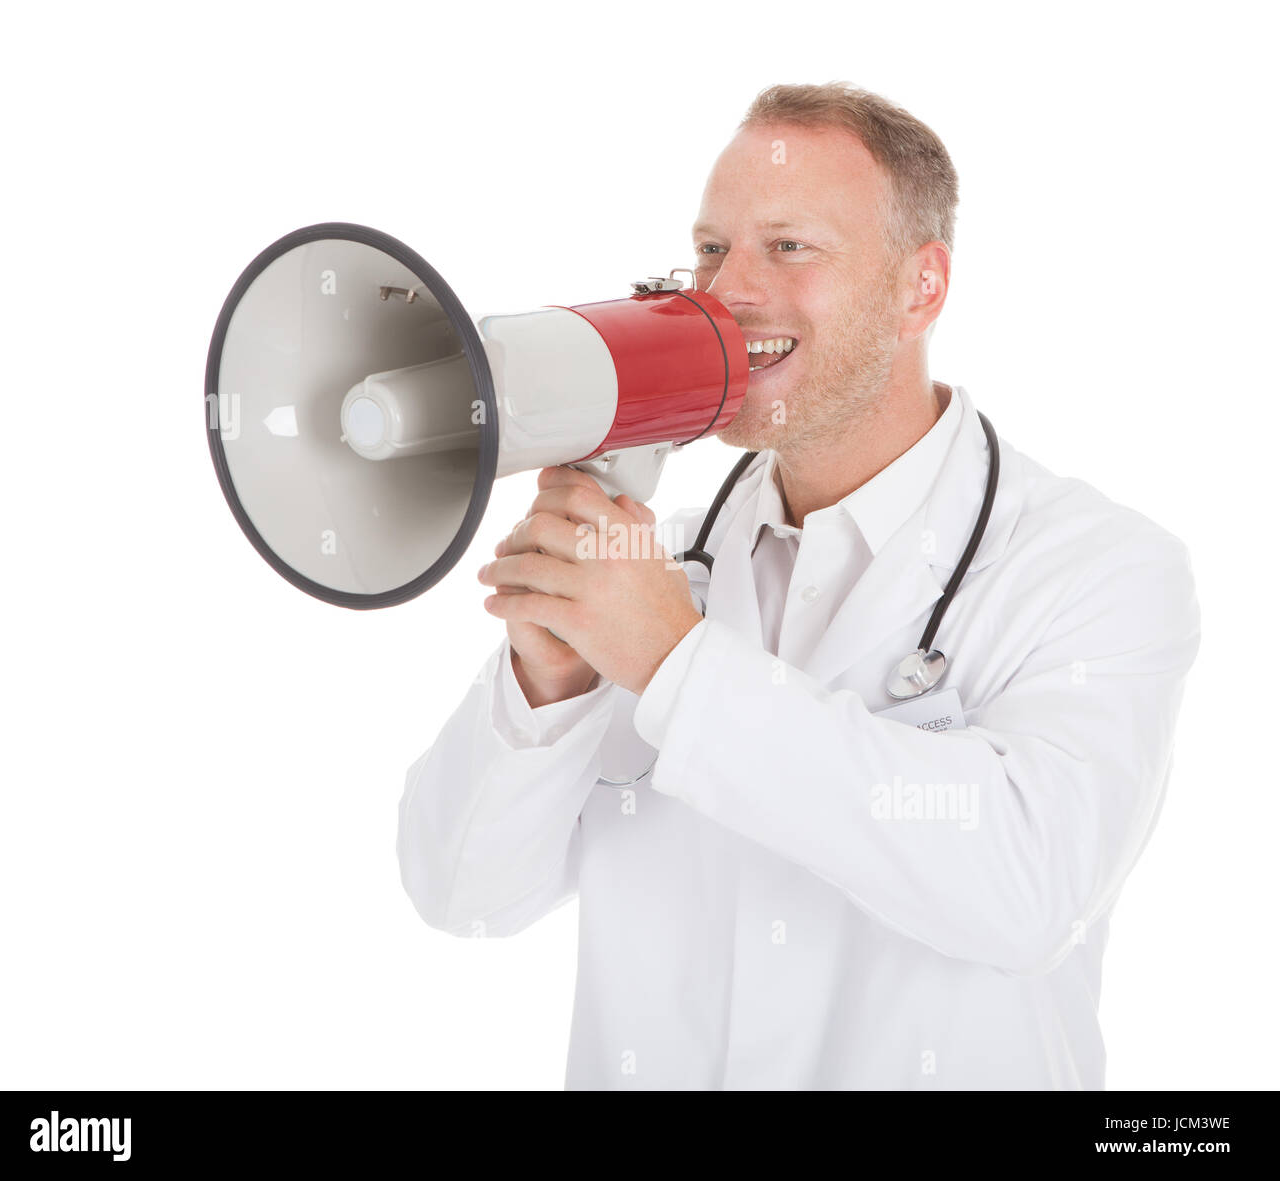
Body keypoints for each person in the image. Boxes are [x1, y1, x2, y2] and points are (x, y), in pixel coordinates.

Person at [396, 81, 1201, 1090]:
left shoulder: (1094, 567)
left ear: (921, 288)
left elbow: (1028, 889)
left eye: (789, 246)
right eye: (710, 248)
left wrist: (677, 664)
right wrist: (547, 680)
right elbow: (463, 893)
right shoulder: (660, 566)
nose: (726, 291)